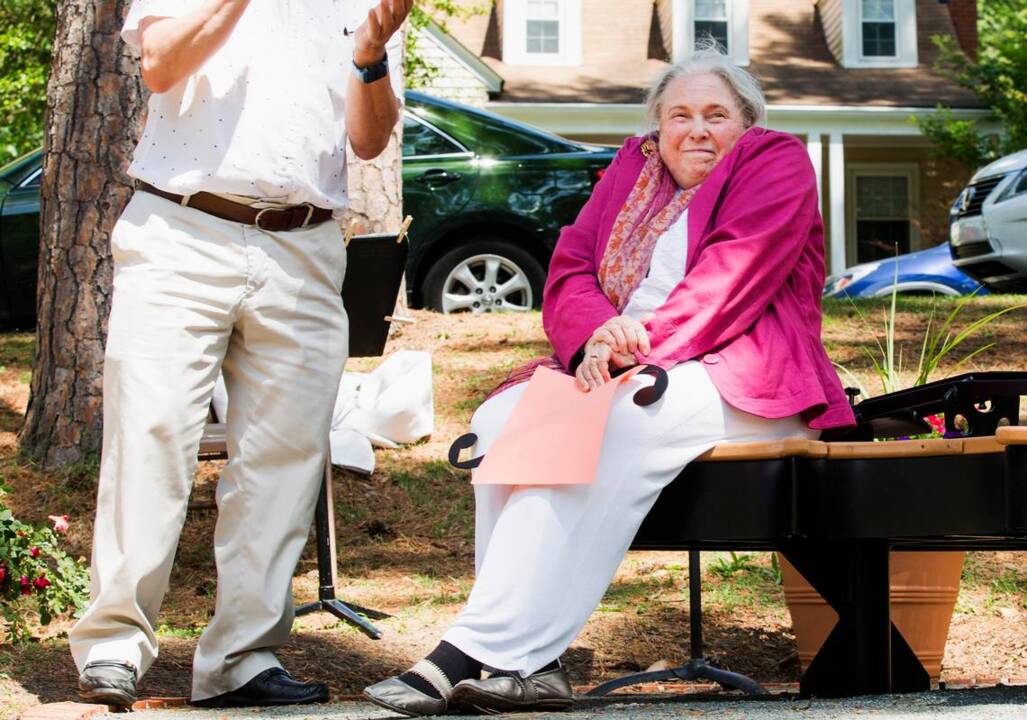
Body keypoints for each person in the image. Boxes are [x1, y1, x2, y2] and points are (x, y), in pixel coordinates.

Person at [363, 46, 855, 717]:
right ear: (657, 126)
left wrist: (634, 353)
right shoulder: (632, 169)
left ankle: (467, 653)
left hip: (746, 374)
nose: (697, 129)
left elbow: (731, 281)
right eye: (679, 115)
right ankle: (533, 665)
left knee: (604, 418)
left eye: (717, 114)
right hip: (625, 368)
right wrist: (598, 336)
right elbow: (570, 270)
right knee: (505, 421)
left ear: (746, 123)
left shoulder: (774, 162)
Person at [69, 0, 410, 709]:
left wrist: (372, 51)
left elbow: (370, 141)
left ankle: (240, 660)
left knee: (285, 459)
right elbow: (162, 65)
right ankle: (113, 647)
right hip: (183, 230)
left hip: (306, 243)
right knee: (150, 438)